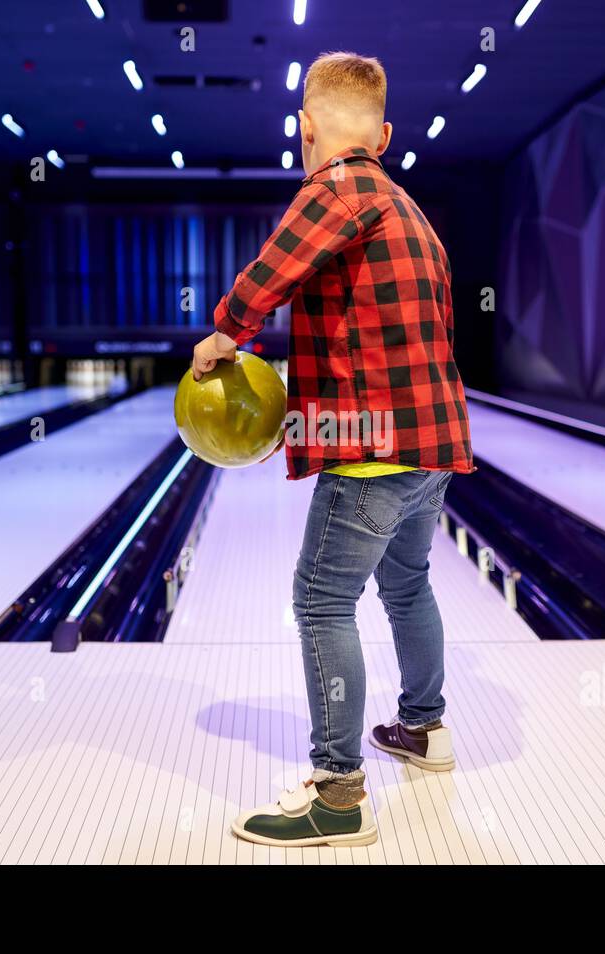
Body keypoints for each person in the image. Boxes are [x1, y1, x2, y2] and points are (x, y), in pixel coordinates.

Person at [191, 51, 473, 848]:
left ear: (304, 131)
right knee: (408, 581)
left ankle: (338, 794)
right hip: (430, 447)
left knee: (320, 599)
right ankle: (425, 730)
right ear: (383, 133)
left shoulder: (337, 185)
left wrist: (225, 332)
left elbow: (273, 269)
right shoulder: (412, 210)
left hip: (370, 448)